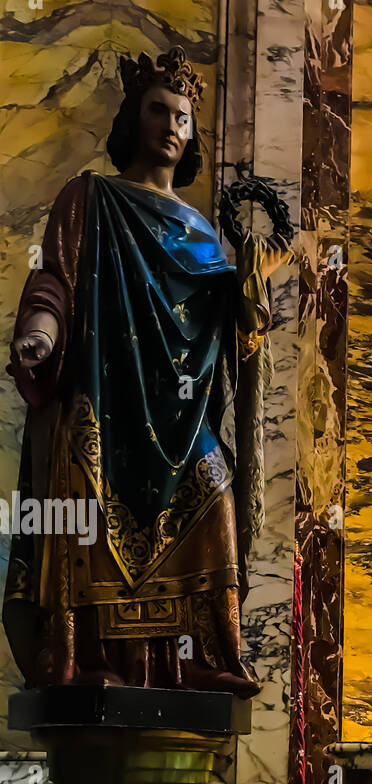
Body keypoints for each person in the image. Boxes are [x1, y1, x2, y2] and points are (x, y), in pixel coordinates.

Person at [4, 47, 292, 694]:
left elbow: (229, 337)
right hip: (106, 400)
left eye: (183, 118)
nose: (170, 125)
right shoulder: (90, 198)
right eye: (158, 110)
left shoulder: (199, 232)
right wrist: (41, 333)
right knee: (84, 481)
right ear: (134, 119)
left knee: (215, 490)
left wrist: (253, 288)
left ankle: (206, 658)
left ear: (192, 135)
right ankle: (83, 659)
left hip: (181, 413)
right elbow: (54, 279)